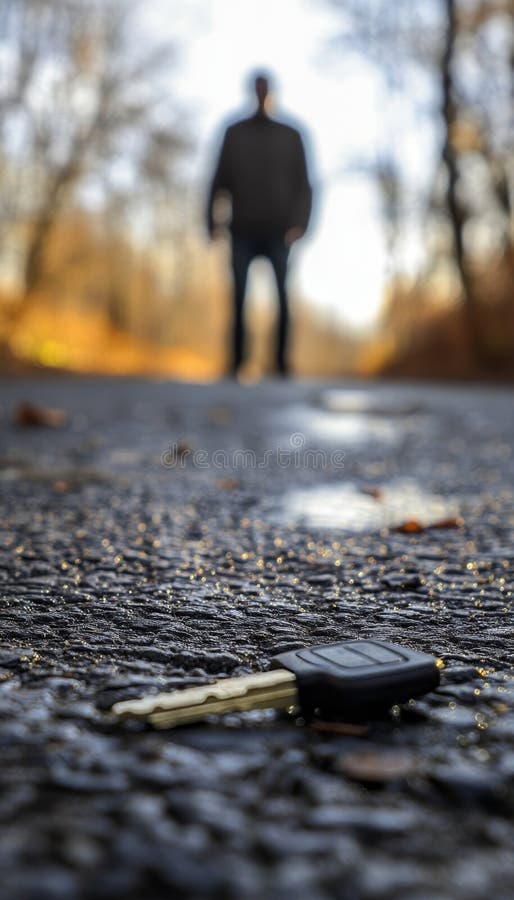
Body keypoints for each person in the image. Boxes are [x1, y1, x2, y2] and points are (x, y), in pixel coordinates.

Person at [207, 72, 313, 377]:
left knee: (282, 297)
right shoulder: (235, 133)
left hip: (279, 232)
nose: (261, 95)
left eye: (266, 90)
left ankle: (280, 364)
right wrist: (211, 223)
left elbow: (304, 185)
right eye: (257, 90)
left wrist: (300, 224)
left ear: (273, 93)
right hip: (241, 229)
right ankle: (237, 362)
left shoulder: (291, 135)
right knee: (238, 296)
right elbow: (218, 180)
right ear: (251, 92)